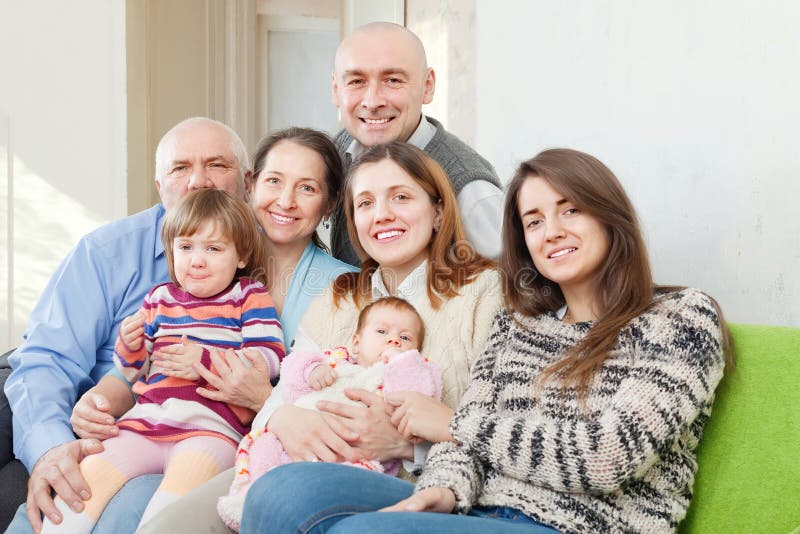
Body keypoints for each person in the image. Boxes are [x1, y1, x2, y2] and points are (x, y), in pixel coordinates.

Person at [240, 148, 732, 534]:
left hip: (582, 525)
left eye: (571, 211)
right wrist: (444, 488)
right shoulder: (522, 324)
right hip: (484, 512)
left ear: (610, 217)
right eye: (534, 221)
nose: (552, 231)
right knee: (280, 492)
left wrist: (454, 423)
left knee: (364, 531)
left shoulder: (680, 317)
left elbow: (606, 455)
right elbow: (467, 446)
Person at [140, 141, 501, 534]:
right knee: (169, 527)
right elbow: (290, 379)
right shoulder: (340, 295)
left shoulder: (484, 293)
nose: (381, 215)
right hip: (290, 455)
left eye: (400, 197)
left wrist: (409, 447)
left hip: (404, 480)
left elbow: (503, 427)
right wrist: (283, 416)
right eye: (365, 203)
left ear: (437, 211)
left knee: (285, 498)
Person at [2, 117, 253, 533]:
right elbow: (45, 360)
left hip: (198, 439)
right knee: (54, 507)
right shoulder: (106, 253)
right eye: (179, 168)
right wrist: (53, 447)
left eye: (217, 165)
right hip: (109, 434)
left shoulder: (261, 261)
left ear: (246, 182)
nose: (198, 181)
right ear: (160, 186)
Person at [42, 188, 285, 533]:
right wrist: (131, 345)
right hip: (145, 424)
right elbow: (132, 369)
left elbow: (269, 358)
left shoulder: (248, 296)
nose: (196, 260)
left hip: (210, 431)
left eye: (213, 249)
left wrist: (204, 360)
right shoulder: (159, 298)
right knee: (79, 496)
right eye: (185, 247)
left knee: (167, 517)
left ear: (241, 255)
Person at [217, 296, 441, 531]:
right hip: (292, 440)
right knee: (264, 449)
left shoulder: (392, 380)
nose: (393, 340)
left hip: (351, 457)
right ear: (356, 342)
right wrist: (312, 371)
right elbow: (292, 371)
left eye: (404, 338)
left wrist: (402, 363)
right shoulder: (333, 362)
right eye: (382, 332)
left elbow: (420, 397)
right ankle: (246, 499)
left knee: (346, 477)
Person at [329, 21, 504, 264]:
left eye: (392, 80)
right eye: (356, 82)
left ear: (428, 86)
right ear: (336, 90)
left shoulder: (471, 193)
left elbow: (514, 291)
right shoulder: (337, 150)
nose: (372, 101)